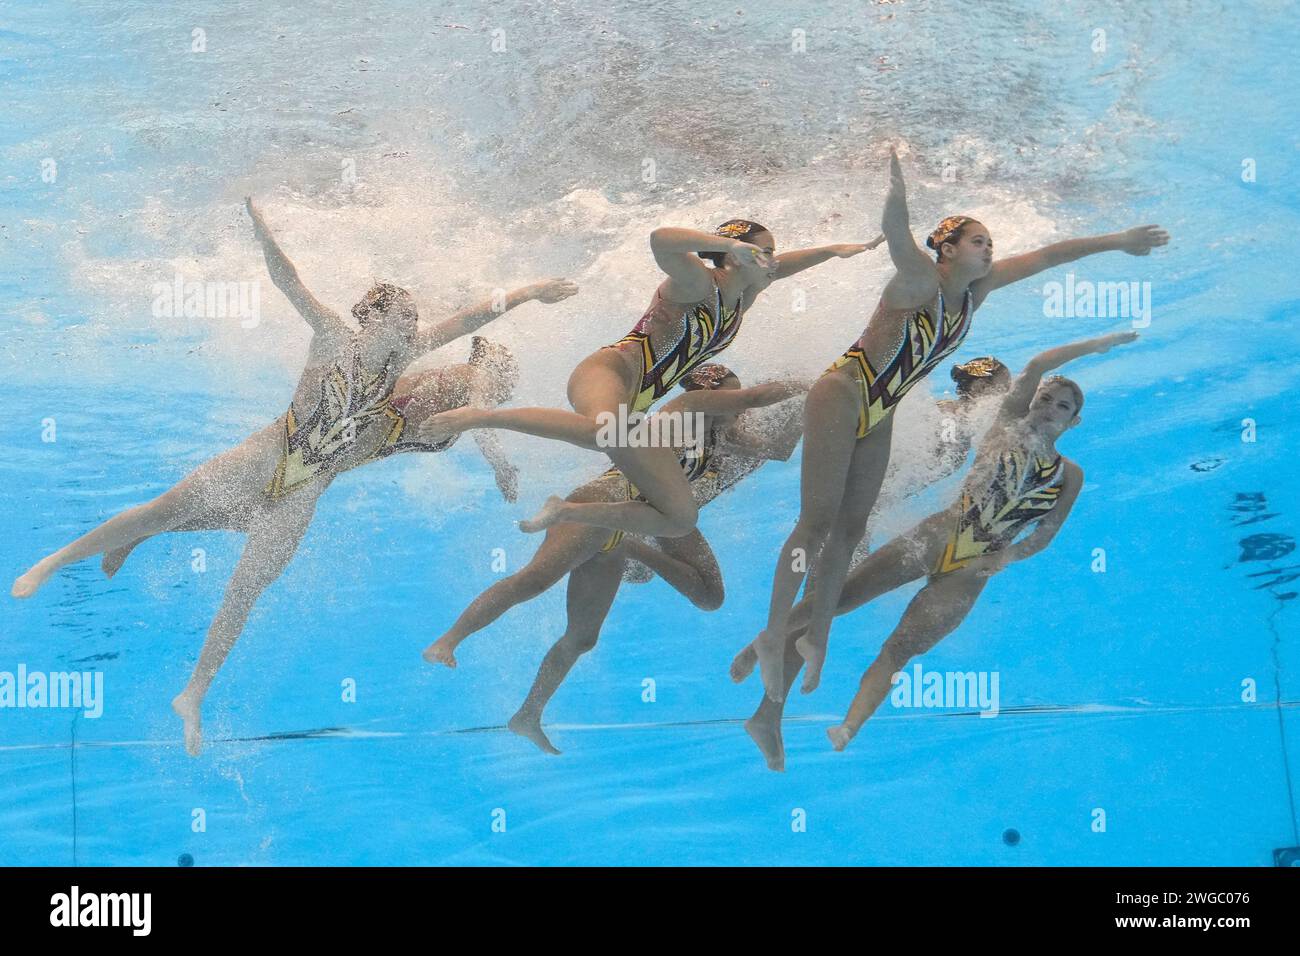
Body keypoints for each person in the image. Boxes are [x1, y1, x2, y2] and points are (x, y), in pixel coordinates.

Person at [11, 195, 577, 755]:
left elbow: (473, 318)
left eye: (415, 319)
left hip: (304, 490)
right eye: (404, 315)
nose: (415, 324)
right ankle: (53, 562)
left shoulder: (408, 355)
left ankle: (194, 693)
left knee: (246, 590)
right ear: (373, 314)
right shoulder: (332, 333)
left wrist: (529, 293)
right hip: (264, 455)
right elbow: (290, 282)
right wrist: (264, 236)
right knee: (163, 509)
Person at [748, 147, 1169, 703]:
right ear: (946, 250)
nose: (990, 250)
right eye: (978, 241)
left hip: (883, 406)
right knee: (816, 523)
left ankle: (811, 640)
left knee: (850, 530)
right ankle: (775, 635)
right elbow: (897, 232)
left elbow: (1048, 256)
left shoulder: (978, 292)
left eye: (991, 243)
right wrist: (896, 187)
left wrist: (1117, 240)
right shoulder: (920, 279)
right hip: (847, 388)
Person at [737, 330, 1136, 769]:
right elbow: (881, 465)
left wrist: (1001, 555)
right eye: (1023, 394)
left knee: (844, 619)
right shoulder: (960, 422)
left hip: (909, 545)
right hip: (869, 528)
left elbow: (1039, 530)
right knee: (826, 607)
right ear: (988, 392)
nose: (1037, 405)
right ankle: (766, 701)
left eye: (1060, 405)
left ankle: (781, 715)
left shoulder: (982, 438)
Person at [420, 364, 805, 754]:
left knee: (583, 637)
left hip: (627, 526)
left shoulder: (720, 437)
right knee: (534, 580)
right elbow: (753, 399)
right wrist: (814, 380)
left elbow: (779, 447)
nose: (739, 409)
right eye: (731, 398)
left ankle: (528, 716)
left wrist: (819, 404)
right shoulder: (684, 409)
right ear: (708, 391)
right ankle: (449, 640)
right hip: (601, 500)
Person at [415, 220, 872, 546]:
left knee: (678, 519)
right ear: (734, 256)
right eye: (763, 251)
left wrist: (832, 251)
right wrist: (723, 244)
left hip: (634, 406)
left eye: (770, 252)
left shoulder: (744, 294)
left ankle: (566, 511)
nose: (771, 260)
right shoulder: (697, 283)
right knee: (603, 432)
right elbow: (661, 240)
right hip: (609, 372)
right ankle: (481, 416)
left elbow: (783, 267)